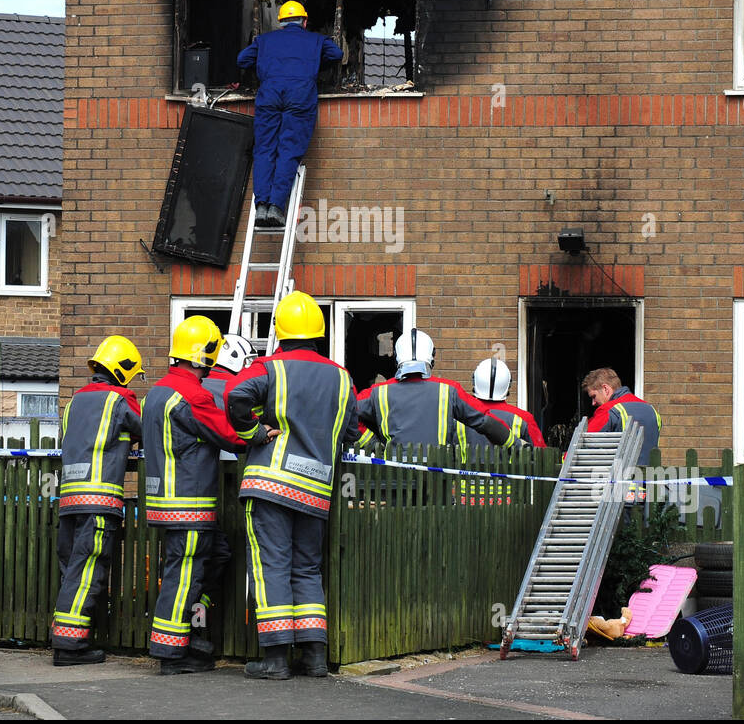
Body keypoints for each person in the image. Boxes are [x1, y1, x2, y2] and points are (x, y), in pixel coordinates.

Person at [226, 291, 359, 679]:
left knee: (272, 567)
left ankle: (275, 659)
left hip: (271, 483)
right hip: (316, 490)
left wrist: (254, 433)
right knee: (306, 569)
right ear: (318, 333)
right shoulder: (342, 377)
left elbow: (236, 397)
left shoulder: (270, 367)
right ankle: (315, 657)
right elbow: (350, 431)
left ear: (280, 332)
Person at [142, 317, 271, 675]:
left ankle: (191, 641)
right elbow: (230, 435)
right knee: (184, 574)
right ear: (206, 354)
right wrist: (260, 434)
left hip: (167, 501)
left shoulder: (157, 392)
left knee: (209, 558)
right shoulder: (193, 395)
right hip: (189, 503)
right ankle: (171, 654)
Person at [51, 335, 144, 666]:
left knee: (72, 570)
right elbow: (146, 429)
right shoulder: (120, 400)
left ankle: (73, 638)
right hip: (99, 499)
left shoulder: (74, 401)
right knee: (88, 570)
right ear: (122, 371)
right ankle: (68, 646)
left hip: (68, 500)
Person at [236, 1, 343, 228]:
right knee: (289, 149)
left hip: (270, 94)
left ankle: (261, 206)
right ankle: (276, 206)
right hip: (300, 96)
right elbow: (337, 54)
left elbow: (242, 60)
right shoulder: (316, 40)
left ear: (281, 22)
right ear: (304, 22)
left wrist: (268, 66)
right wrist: (311, 63)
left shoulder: (264, 41)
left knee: (264, 149)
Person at [357, 329, 513, 452]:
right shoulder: (449, 391)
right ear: (432, 357)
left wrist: (371, 442)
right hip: (436, 480)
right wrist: (516, 443)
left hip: (393, 479)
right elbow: (483, 419)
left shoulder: (377, 392)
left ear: (397, 357)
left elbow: (346, 411)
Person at [463, 356, 545, 505]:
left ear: (475, 382)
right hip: (509, 500)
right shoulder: (523, 419)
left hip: (467, 498)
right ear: (508, 385)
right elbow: (542, 457)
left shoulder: (460, 417)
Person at [583, 367, 662, 466]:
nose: (593, 403)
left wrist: (564, 460)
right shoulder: (652, 410)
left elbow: (583, 444)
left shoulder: (608, 410)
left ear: (606, 389)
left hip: (620, 478)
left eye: (594, 396)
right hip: (648, 478)